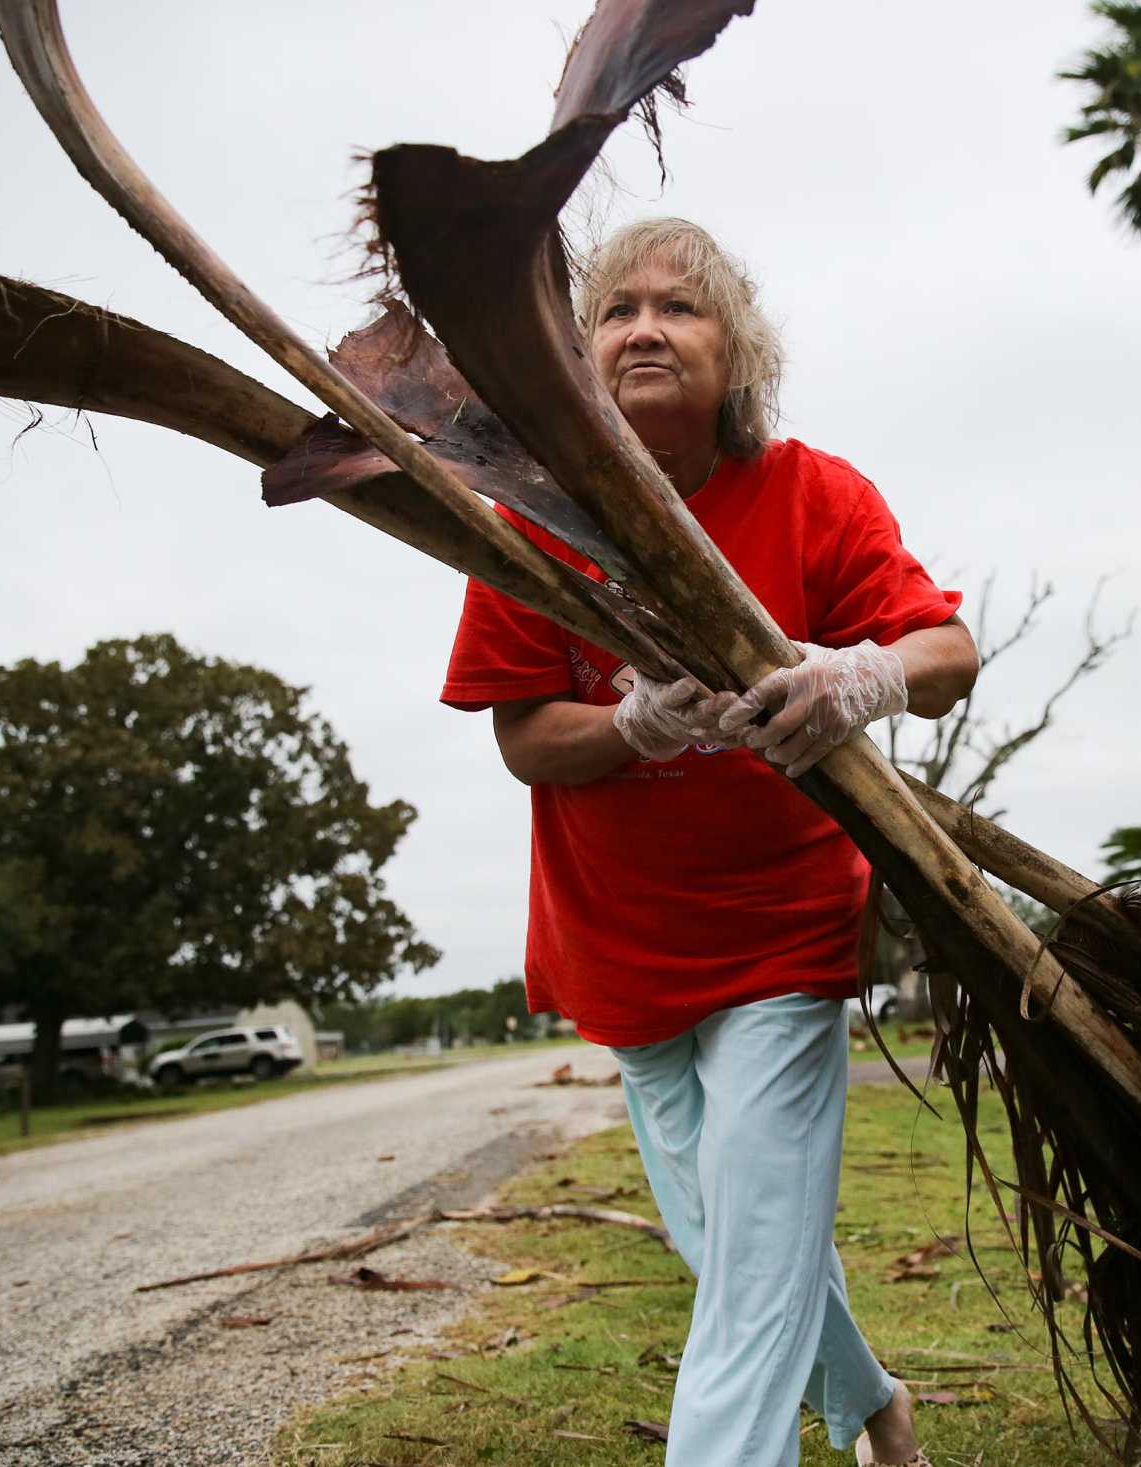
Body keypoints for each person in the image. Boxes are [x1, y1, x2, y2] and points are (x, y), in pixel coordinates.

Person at [440, 217, 977, 1467]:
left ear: (737, 354)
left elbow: (946, 651)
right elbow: (524, 738)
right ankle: (873, 1401)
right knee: (733, 1236)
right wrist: (630, 724)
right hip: (620, 948)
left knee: (743, 1278)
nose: (643, 327)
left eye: (678, 309)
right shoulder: (531, 524)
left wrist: (860, 677)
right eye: (616, 309)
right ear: (580, 359)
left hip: (782, 935)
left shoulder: (814, 493)